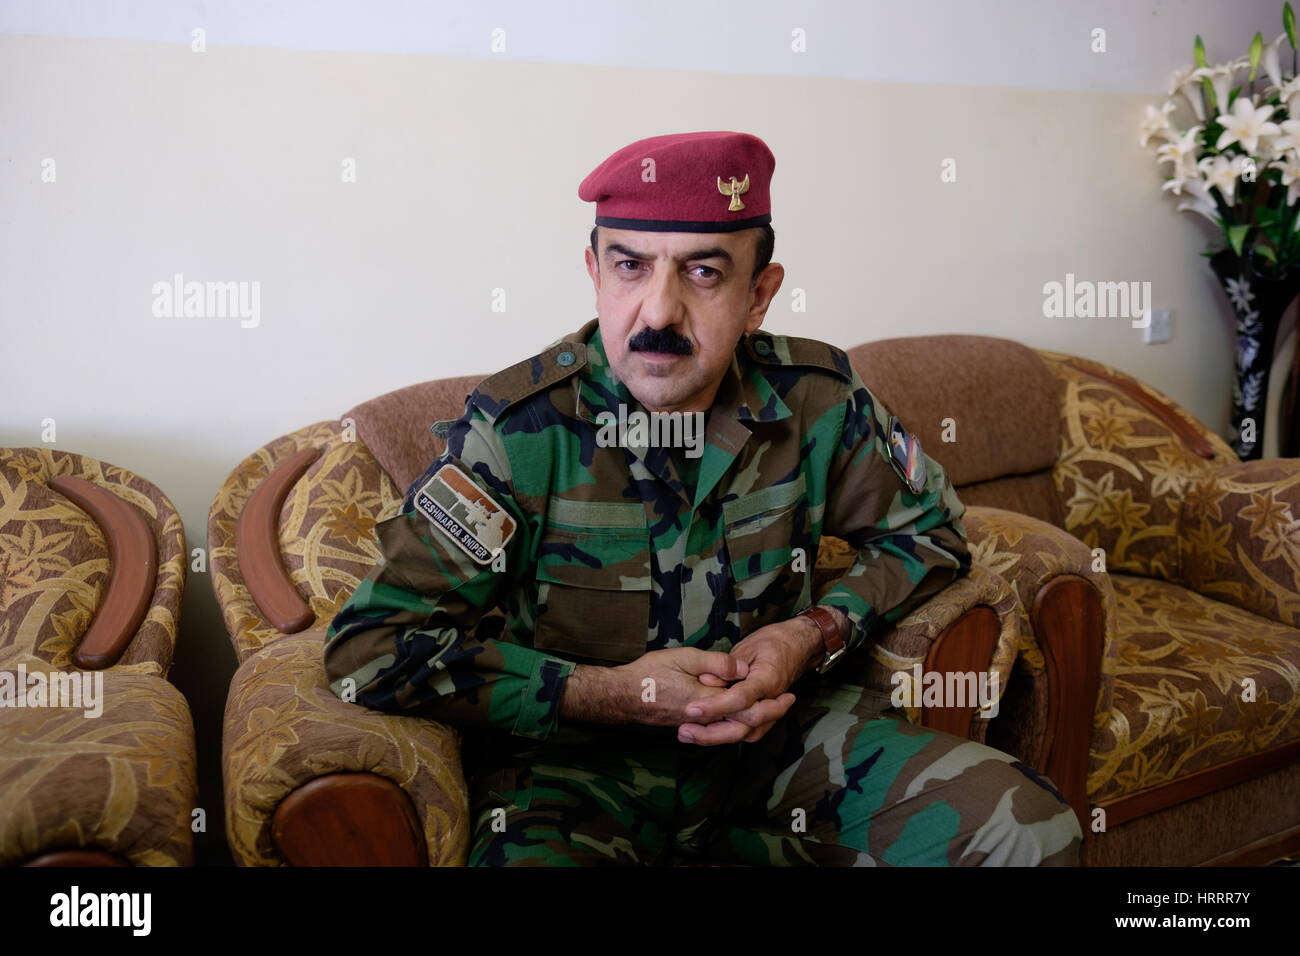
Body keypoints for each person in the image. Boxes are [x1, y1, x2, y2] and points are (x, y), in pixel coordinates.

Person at [322, 130, 1082, 866]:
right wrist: (607, 694)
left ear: (760, 295)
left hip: (784, 743)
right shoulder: (518, 434)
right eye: (629, 266)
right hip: (572, 777)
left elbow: (929, 537)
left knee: (1030, 831)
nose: (657, 313)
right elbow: (373, 649)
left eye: (704, 273)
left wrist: (810, 636)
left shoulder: (816, 402)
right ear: (593, 271)